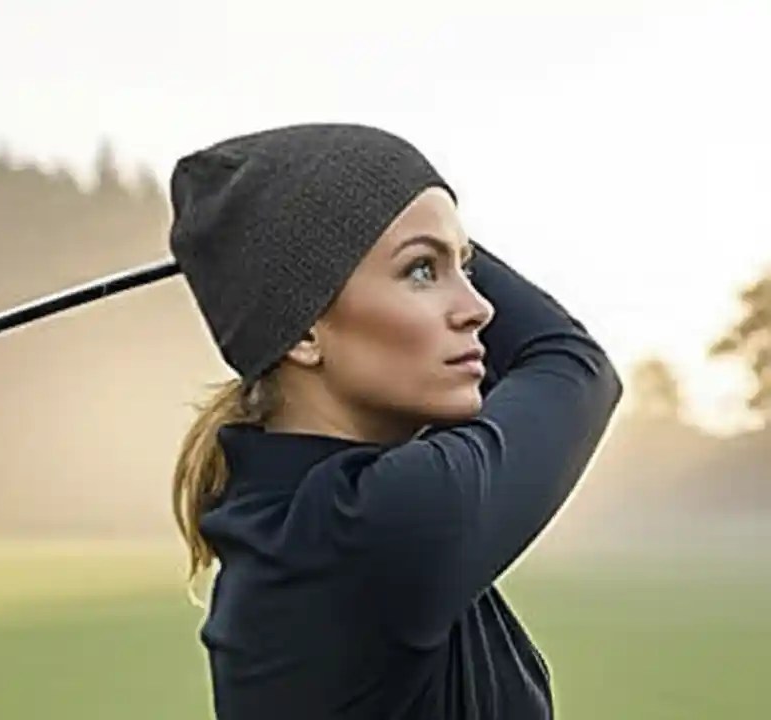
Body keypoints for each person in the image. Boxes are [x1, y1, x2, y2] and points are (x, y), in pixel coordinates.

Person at [166, 123, 623, 719]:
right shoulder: (380, 526)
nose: (480, 307)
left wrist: (411, 217)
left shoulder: (293, 526)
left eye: (465, 265)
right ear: (304, 332)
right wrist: (403, 210)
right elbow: (571, 362)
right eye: (422, 272)